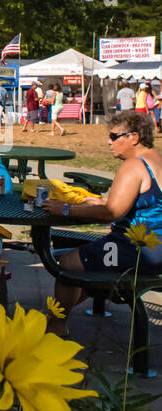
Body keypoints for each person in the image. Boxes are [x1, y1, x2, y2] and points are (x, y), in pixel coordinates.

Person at [47, 112, 162, 336]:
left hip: (139, 250)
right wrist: (97, 202)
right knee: (91, 259)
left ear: (134, 138)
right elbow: (140, 203)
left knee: (68, 262)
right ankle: (53, 315)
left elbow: (111, 212)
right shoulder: (155, 158)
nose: (109, 141)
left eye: (114, 136)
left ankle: (56, 326)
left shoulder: (134, 165)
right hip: (157, 248)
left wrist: (65, 209)